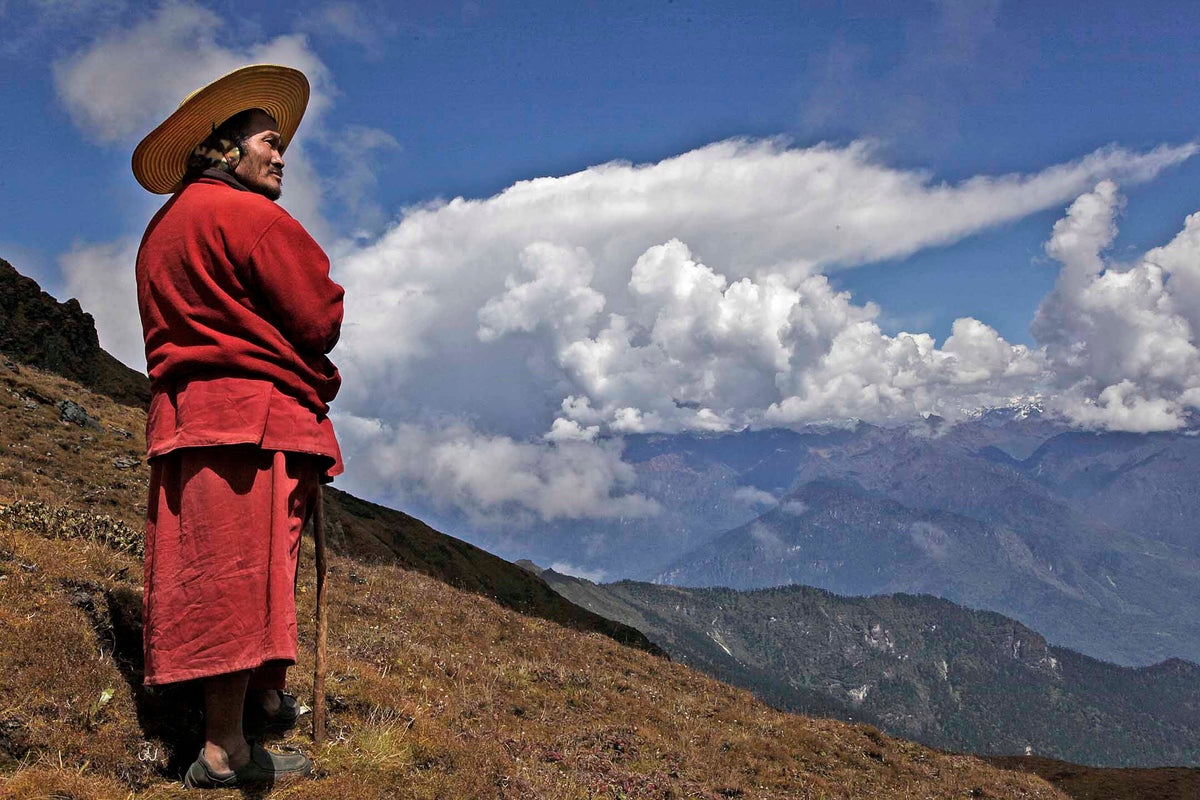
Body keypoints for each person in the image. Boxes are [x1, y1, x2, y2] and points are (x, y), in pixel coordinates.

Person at [131, 64, 344, 789]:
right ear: (226, 149)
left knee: (215, 567)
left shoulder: (163, 230)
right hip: (251, 423)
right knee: (244, 576)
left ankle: (258, 702)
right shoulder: (251, 218)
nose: (281, 155)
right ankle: (226, 752)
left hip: (189, 419)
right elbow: (320, 317)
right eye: (269, 141)